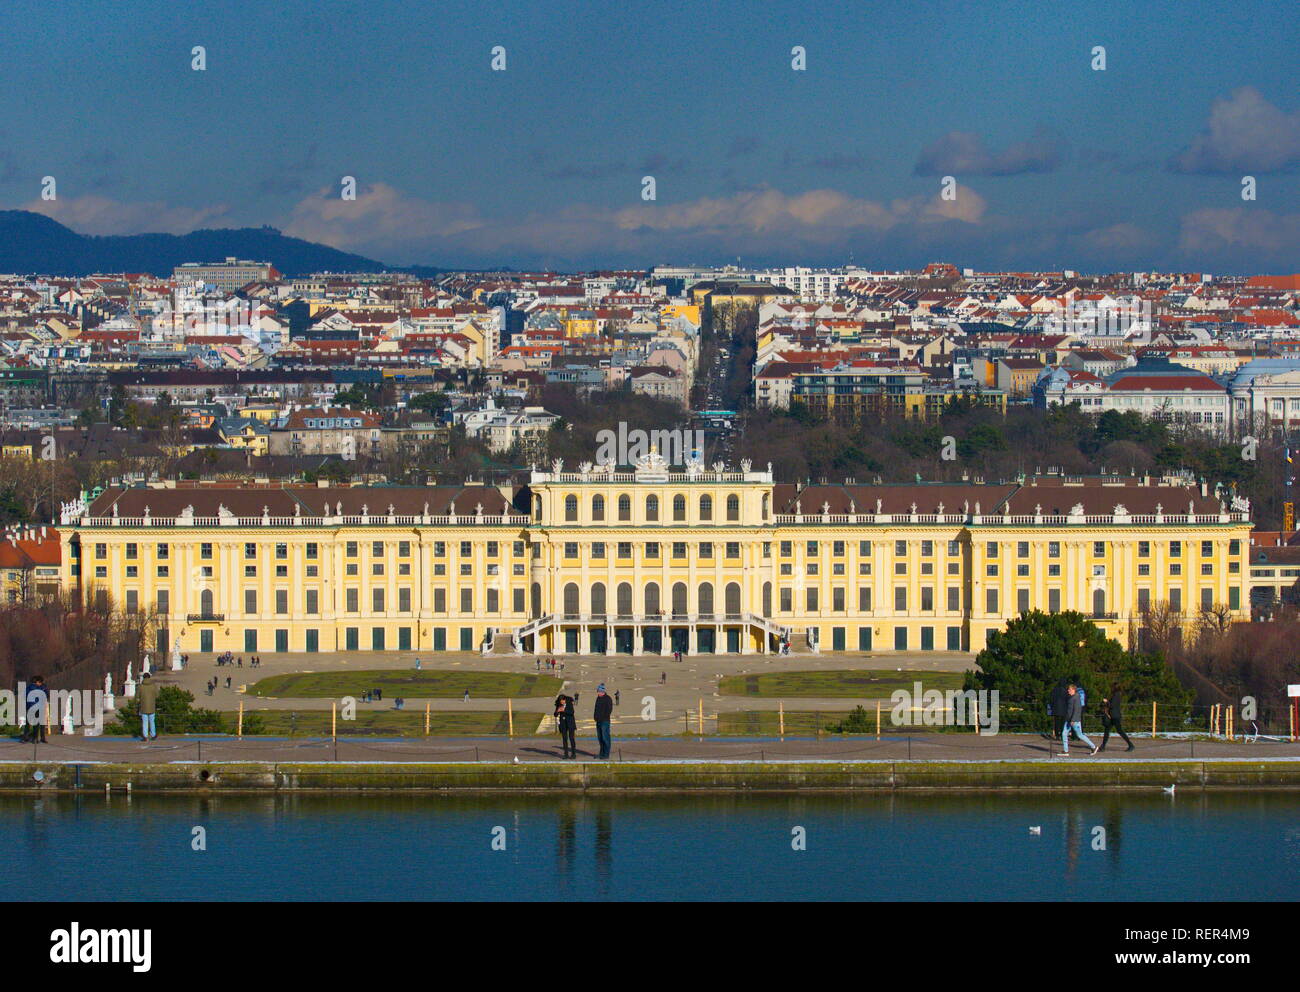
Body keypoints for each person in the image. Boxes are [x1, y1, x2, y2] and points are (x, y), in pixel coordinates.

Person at [1061, 683, 1098, 756]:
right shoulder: (1071, 697)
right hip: (1068, 720)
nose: (1068, 690)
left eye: (1069, 689)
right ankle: (1066, 751)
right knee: (1064, 734)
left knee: (1080, 735)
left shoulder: (1076, 698)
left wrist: (1073, 720)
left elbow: (1077, 710)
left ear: (1074, 690)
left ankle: (1093, 747)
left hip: (1074, 721)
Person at [1100, 682, 1135, 752]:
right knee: (1107, 730)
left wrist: (1106, 702)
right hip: (1112, 716)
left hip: (1115, 716)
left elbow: (1112, 705)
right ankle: (1103, 746)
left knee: (1120, 731)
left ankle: (1131, 745)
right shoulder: (1116, 695)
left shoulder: (1116, 695)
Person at [20, 676, 47, 743]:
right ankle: (35, 739)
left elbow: (24, 696)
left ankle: (25, 738)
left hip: (29, 707)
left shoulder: (28, 688)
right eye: (40, 682)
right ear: (37, 682)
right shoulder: (41, 688)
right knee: (36, 724)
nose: (41, 683)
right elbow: (45, 696)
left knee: (27, 724)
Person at [593, 684, 613, 759]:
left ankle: (606, 754)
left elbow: (609, 710)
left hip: (605, 721)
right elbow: (596, 709)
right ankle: (601, 753)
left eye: (599, 691)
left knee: (605, 738)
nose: (598, 693)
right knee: (600, 738)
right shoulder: (598, 698)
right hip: (598, 721)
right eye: (597, 691)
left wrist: (602, 717)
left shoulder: (608, 699)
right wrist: (595, 717)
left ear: (602, 691)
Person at [138, 672, 159, 741]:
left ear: (143, 678)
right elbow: (157, 695)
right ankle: (153, 735)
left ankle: (145, 736)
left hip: (143, 706)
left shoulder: (140, 686)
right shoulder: (153, 686)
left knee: (145, 722)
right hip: (152, 706)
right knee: (152, 721)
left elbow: (137, 696)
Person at [554, 693, 577, 758]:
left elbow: (572, 712)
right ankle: (566, 754)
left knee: (571, 738)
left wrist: (564, 710)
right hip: (563, 723)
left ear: (565, 700)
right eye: (561, 701)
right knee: (564, 739)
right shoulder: (559, 705)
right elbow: (555, 715)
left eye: (563, 701)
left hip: (570, 723)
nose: (562, 702)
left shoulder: (569, 703)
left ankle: (573, 753)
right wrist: (557, 711)